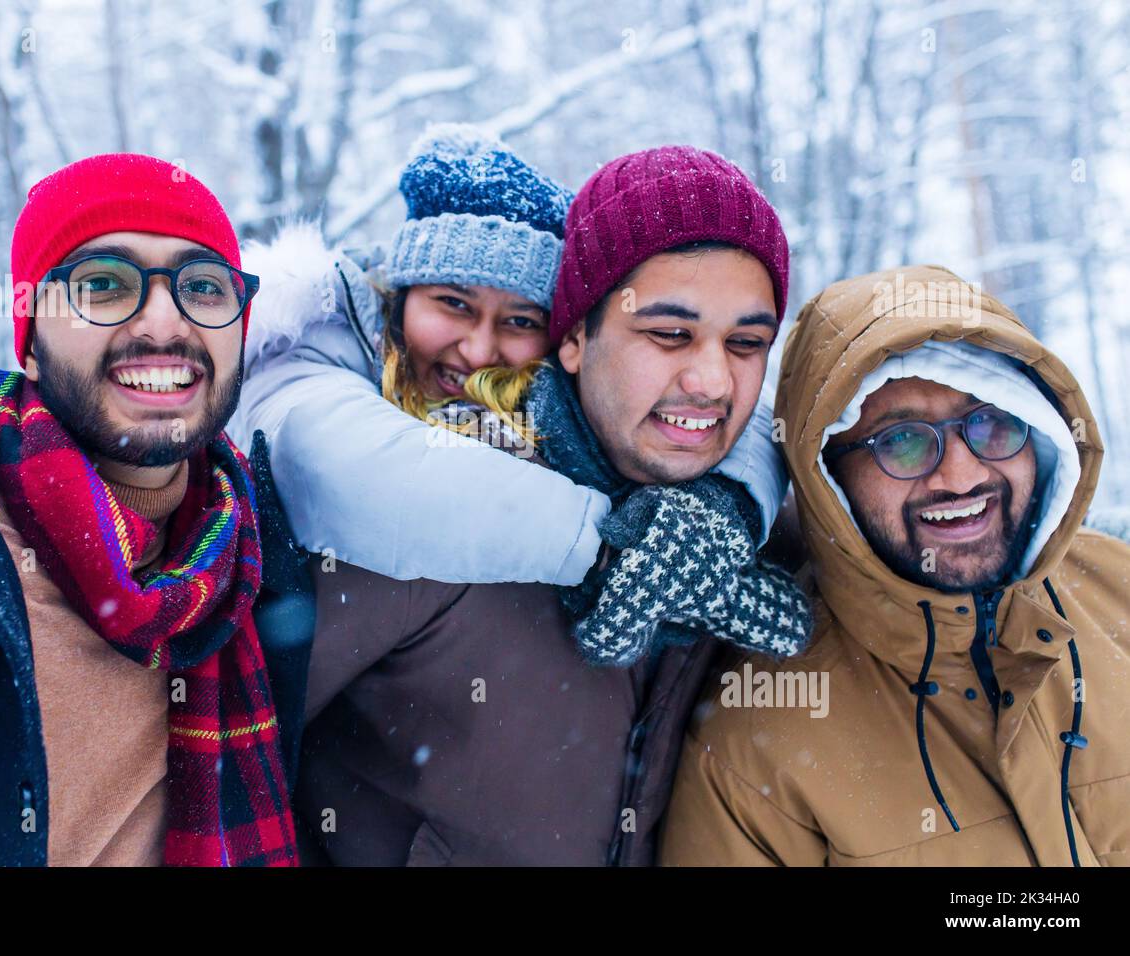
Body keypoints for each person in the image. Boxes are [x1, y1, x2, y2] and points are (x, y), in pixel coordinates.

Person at [286, 146, 813, 866]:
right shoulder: (409, 525)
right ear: (573, 340)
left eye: (746, 343)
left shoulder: (756, 541)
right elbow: (232, 755)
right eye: (668, 334)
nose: (714, 381)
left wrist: (731, 511)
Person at [0, 154, 296, 867]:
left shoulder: (270, 559)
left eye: (204, 287)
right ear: (32, 343)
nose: (164, 323)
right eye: (104, 284)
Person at [660, 265, 1130, 867]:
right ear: (827, 476)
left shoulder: (1120, 589)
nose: (962, 476)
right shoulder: (757, 741)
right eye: (901, 440)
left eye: (991, 423)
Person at [228, 125, 787, 589]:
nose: (478, 349)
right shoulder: (312, 343)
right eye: (453, 304)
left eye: (521, 321)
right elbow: (333, 465)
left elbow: (750, 411)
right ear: (401, 294)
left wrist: (727, 498)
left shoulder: (547, 410)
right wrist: (611, 548)